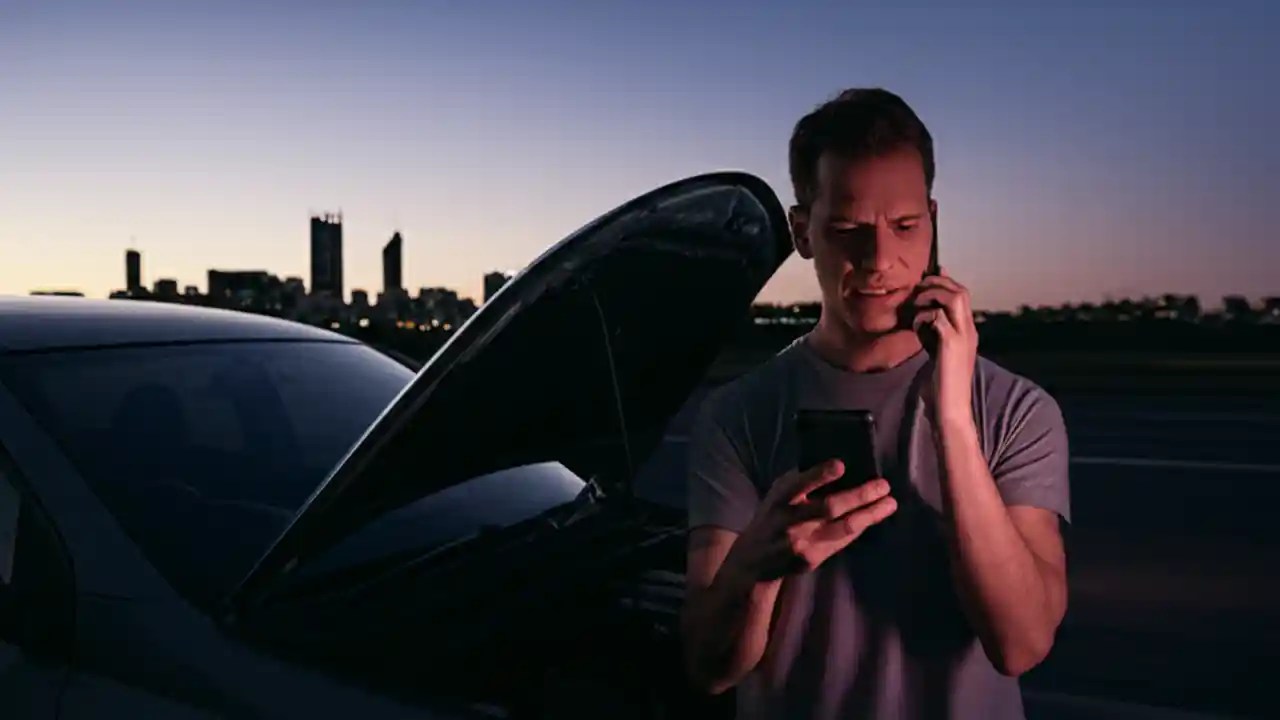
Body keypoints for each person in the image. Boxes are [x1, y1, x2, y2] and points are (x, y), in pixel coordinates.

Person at [680, 88, 1071, 720]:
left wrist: (952, 418)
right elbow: (708, 667)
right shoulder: (736, 415)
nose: (880, 260)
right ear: (802, 232)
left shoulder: (1018, 410)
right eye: (848, 231)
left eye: (906, 226)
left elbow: (1020, 643)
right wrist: (756, 565)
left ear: (933, 219)